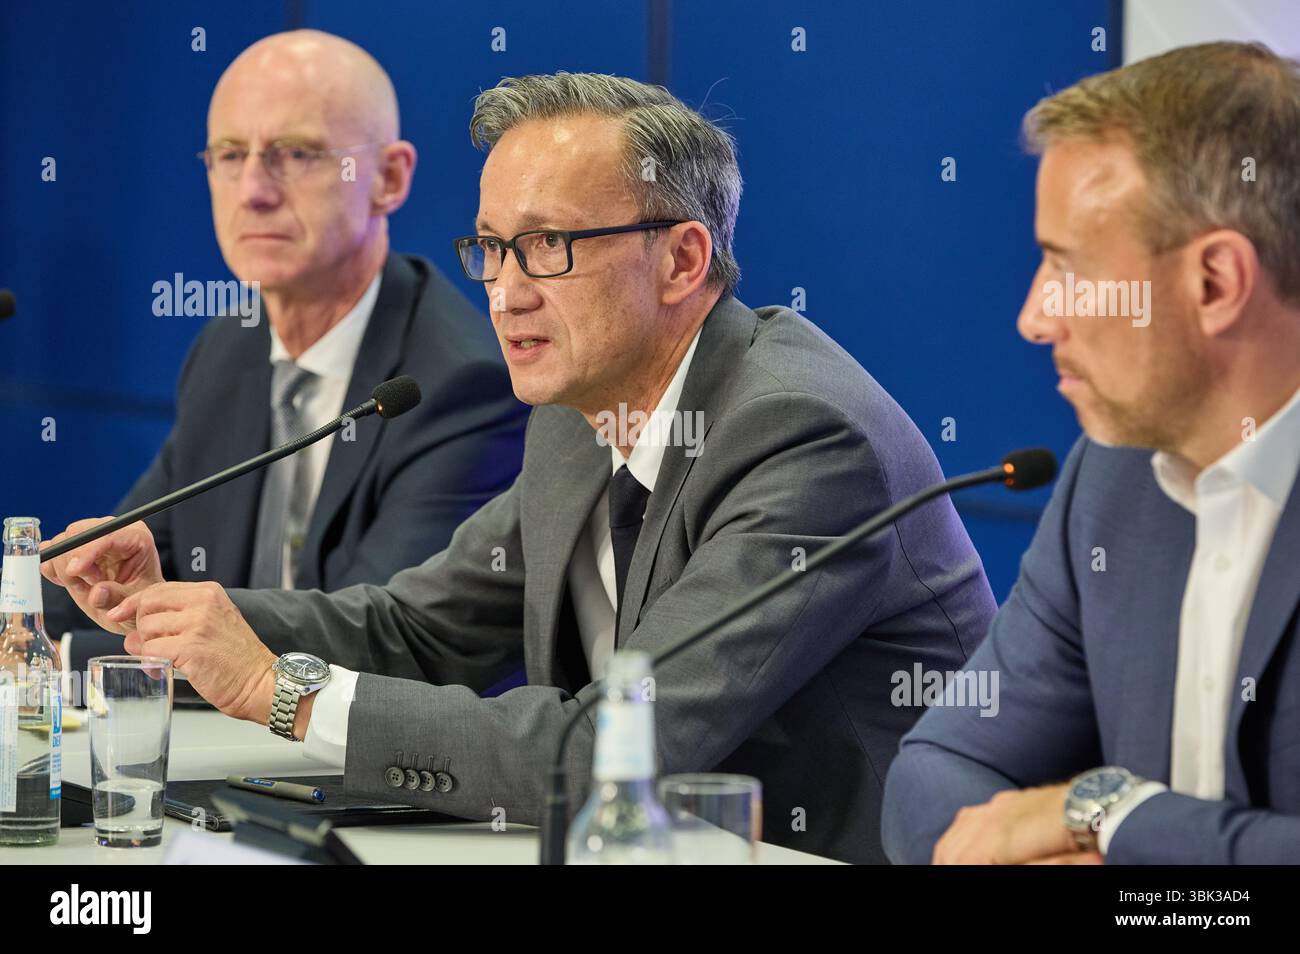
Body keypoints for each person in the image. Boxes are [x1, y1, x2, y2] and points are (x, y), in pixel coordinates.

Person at [44, 72, 995, 864]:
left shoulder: (803, 437)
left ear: (681, 261)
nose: (504, 293)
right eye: (492, 250)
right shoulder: (581, 409)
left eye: (547, 246)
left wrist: (279, 690)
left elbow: (610, 754)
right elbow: (417, 630)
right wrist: (192, 622)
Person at [882, 41, 1300, 865]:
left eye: (1066, 269)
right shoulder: (1112, 481)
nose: (1035, 318)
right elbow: (935, 775)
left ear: (1215, 282)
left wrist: (1105, 811)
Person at [43, 31, 527, 676]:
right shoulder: (230, 345)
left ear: (388, 178)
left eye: (295, 154)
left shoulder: (458, 383)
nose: (253, 191)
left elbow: (384, 642)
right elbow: (116, 571)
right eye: (229, 155)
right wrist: (27, 616)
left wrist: (69, 656)